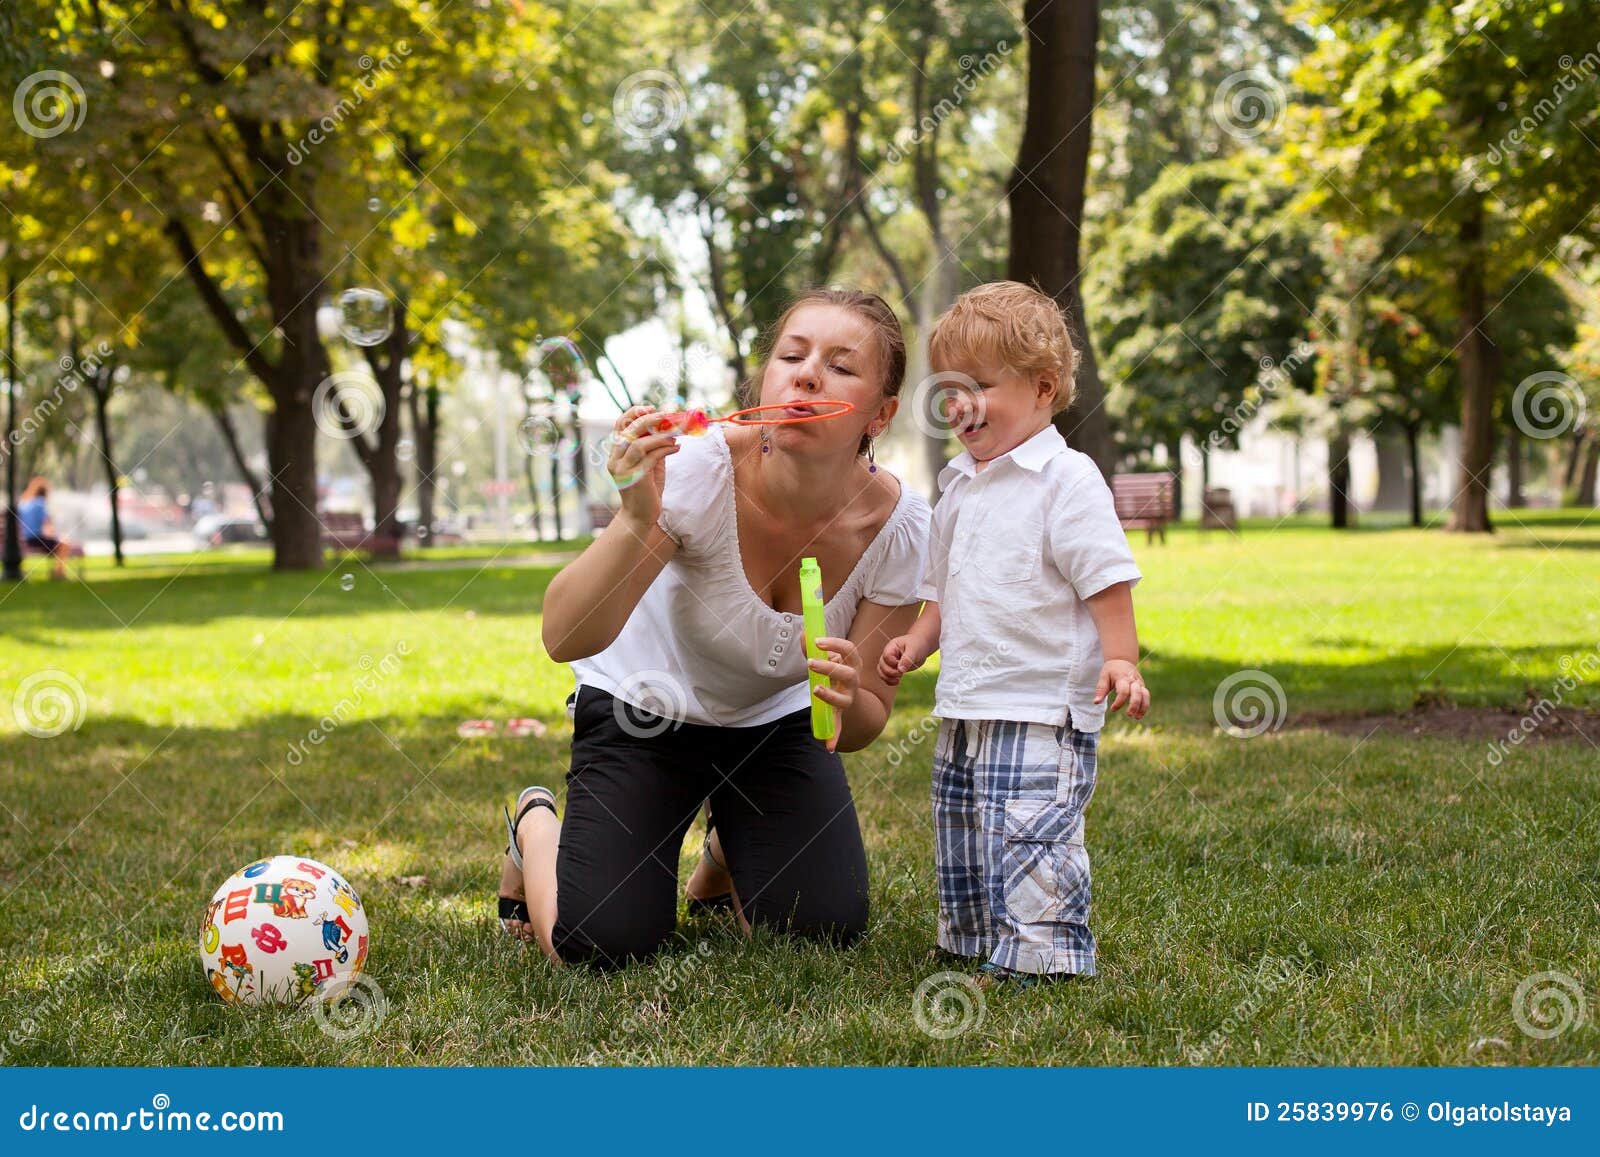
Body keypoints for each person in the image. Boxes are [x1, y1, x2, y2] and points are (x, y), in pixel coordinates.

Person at [497, 288, 931, 967]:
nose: (807, 373)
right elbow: (563, 636)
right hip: (646, 707)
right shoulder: (696, 470)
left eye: (841, 366)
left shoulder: (901, 530)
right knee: (602, 945)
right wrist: (640, 519)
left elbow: (869, 718)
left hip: (772, 723)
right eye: (792, 355)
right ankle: (534, 826)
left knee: (818, 934)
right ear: (766, 379)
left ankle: (729, 849)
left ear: (880, 414)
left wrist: (849, 701)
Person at [877, 281, 1150, 986]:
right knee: (964, 823)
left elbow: (1105, 577)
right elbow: (946, 584)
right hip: (969, 698)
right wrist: (920, 638)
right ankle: (969, 936)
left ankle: (1042, 952)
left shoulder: (1066, 478)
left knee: (1032, 828)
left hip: (1039, 700)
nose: (960, 403)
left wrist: (1121, 655)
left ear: (1042, 386)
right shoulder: (960, 483)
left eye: (981, 385)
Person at [15, 476, 75, 580]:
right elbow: (46, 524)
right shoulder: (40, 503)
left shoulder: (25, 504)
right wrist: (54, 534)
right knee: (65, 544)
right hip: (37, 539)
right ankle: (58, 573)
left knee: (60, 543)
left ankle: (58, 573)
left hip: (27, 539)